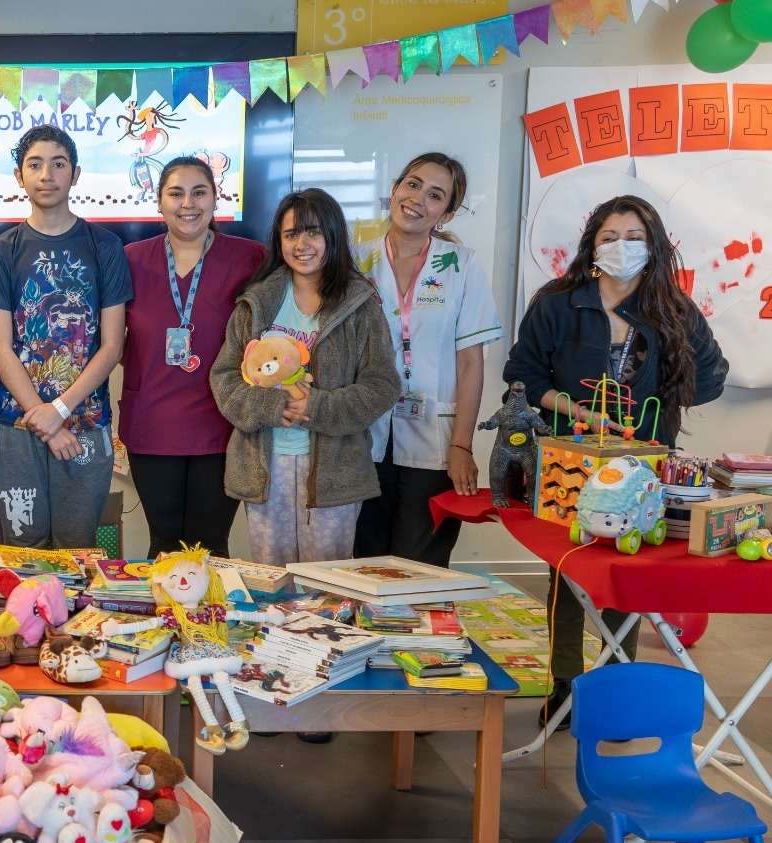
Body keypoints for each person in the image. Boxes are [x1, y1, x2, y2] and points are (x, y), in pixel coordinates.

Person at [502, 194, 728, 729]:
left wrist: (664, 392)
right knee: (569, 571)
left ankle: (615, 683)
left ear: (653, 247)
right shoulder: (559, 303)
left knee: (627, 572)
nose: (621, 247)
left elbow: (712, 378)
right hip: (571, 460)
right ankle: (563, 684)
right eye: (609, 237)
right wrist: (577, 409)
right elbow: (524, 376)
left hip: (645, 464)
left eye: (634, 238)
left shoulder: (673, 307)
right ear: (592, 244)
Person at [211, 188, 398, 745]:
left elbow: (384, 383)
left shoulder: (359, 302)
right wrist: (275, 406)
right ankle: (271, 692)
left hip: (334, 474)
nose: (302, 243)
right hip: (264, 466)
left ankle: (320, 698)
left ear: (332, 237)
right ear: (280, 241)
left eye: (313, 231)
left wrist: (316, 407)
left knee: (325, 589)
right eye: (292, 233)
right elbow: (224, 380)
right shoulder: (258, 301)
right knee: (272, 585)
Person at [0, 124, 131, 549]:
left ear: (76, 174)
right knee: (23, 550)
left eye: (58, 164)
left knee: (78, 548)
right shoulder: (2, 251)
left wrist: (60, 409)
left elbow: (112, 345)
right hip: (16, 425)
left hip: (85, 423)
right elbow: (0, 347)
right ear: (18, 176)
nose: (47, 174)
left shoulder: (106, 247)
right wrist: (43, 418)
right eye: (35, 164)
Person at [352, 153, 502, 566]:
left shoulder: (463, 266)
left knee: (422, 567)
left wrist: (462, 445)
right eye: (413, 184)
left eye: (435, 195)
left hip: (436, 441)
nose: (418, 199)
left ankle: (419, 634)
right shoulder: (353, 260)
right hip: (363, 436)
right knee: (363, 563)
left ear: (447, 213)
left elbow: (471, 363)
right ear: (396, 188)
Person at [121, 156, 265, 558]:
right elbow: (114, 343)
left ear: (216, 198)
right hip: (152, 421)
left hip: (222, 424)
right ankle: (164, 623)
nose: (188, 203)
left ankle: (211, 624)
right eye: (176, 193)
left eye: (199, 192)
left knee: (211, 546)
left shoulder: (251, 258)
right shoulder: (131, 259)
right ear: (158, 201)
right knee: (164, 543)